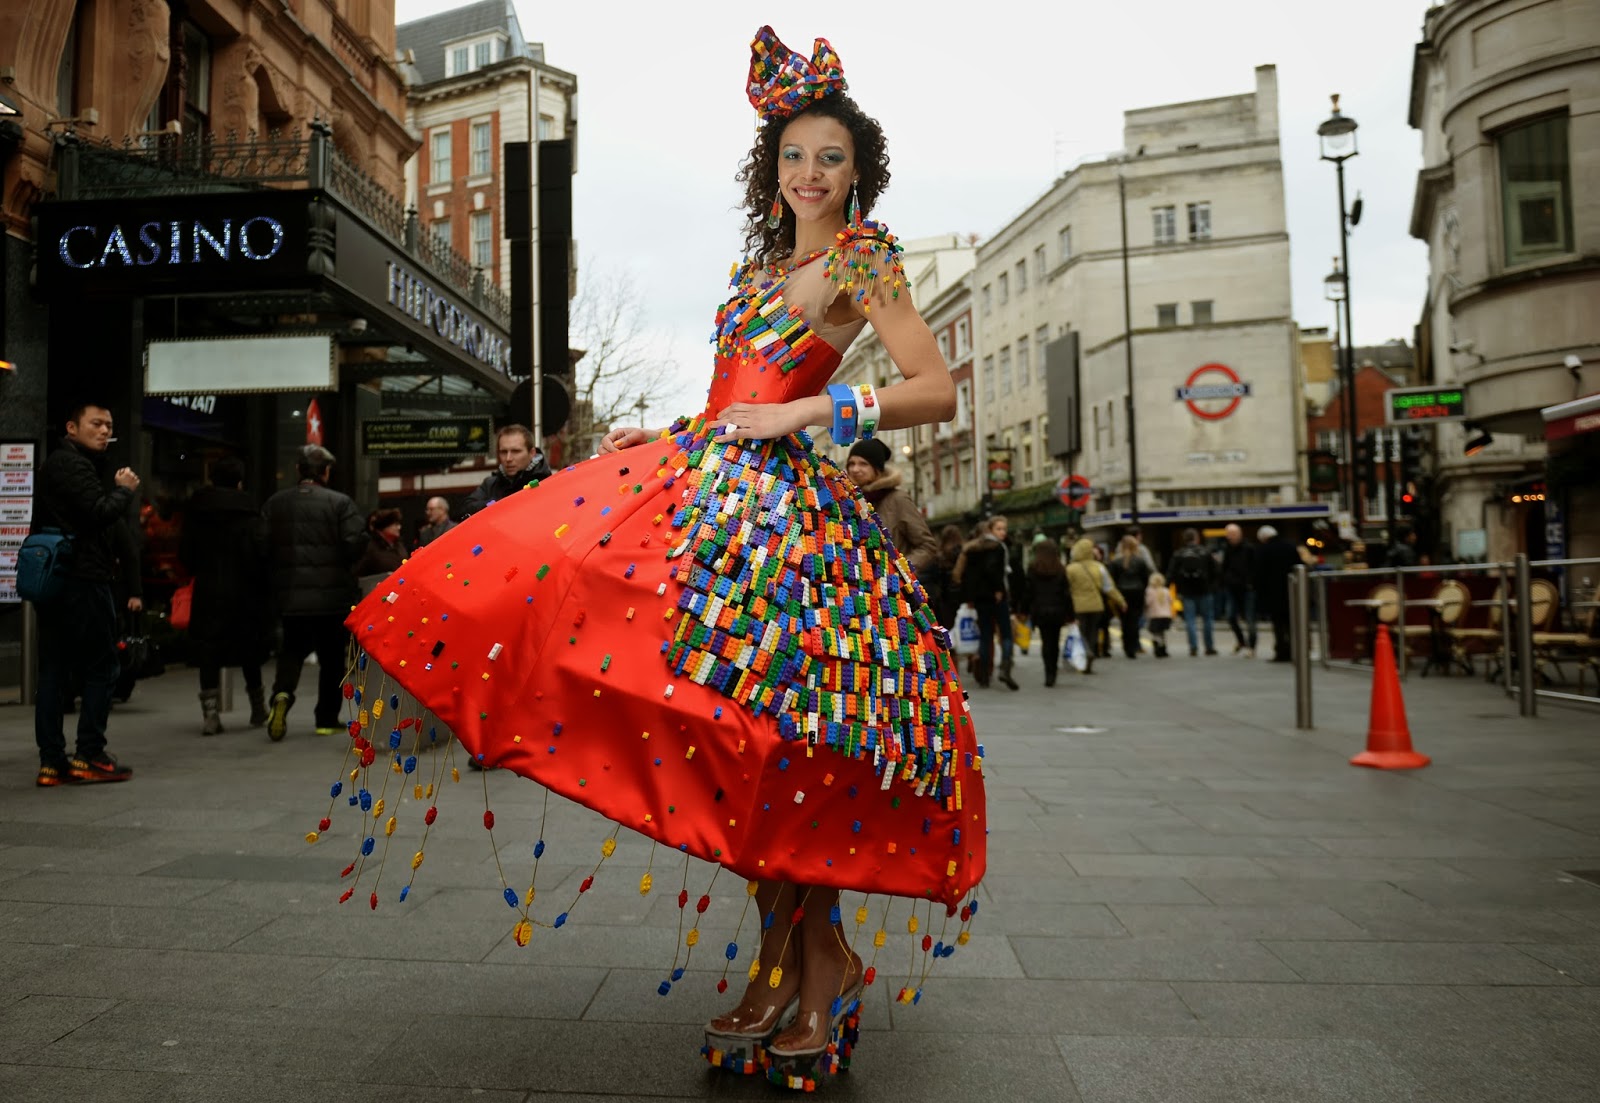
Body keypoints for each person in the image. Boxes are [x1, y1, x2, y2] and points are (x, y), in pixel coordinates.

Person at [334, 26, 984, 1092]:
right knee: (729, 742)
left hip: (789, 531)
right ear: (767, 171)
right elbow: (735, 396)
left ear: (856, 167)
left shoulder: (864, 257)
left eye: (828, 156)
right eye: (791, 157)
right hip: (711, 498)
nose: (809, 173)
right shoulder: (755, 267)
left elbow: (932, 388)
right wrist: (675, 430)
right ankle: (791, 959)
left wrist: (817, 410)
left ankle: (823, 964)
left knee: (776, 739)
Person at [32, 404, 141, 785]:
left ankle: (52, 762)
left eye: (109, 425)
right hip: (83, 578)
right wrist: (123, 492)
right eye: (95, 423)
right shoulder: (72, 464)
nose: (104, 430)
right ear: (71, 427)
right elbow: (98, 513)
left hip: (59, 578)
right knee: (103, 666)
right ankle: (89, 754)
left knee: (55, 669)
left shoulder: (58, 464)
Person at [261, 445, 366, 741]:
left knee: (292, 651)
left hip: (291, 596)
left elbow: (262, 546)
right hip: (332, 598)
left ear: (298, 471)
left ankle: (281, 695)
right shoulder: (340, 503)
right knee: (332, 658)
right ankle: (326, 719)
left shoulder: (275, 504)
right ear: (326, 472)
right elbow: (354, 542)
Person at [178, 458, 271, 735]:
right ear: (239, 482)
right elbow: (262, 552)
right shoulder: (250, 512)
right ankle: (257, 708)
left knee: (209, 650)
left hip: (208, 589)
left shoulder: (198, 511)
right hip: (245, 590)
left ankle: (210, 714)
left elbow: (186, 554)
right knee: (249, 649)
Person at [843, 438, 937, 572]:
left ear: (877, 469)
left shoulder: (898, 499)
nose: (855, 469)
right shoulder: (848, 500)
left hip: (890, 587)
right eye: (851, 463)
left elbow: (927, 546)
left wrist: (898, 571)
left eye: (863, 464)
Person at [958, 515, 1018, 690]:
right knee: (1006, 634)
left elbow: (968, 575)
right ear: (991, 530)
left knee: (985, 635)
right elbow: (993, 570)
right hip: (997, 597)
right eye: (999, 529)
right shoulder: (997, 547)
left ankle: (983, 674)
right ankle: (1005, 668)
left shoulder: (975, 548)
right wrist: (998, 589)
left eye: (1004, 529)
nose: (1003, 533)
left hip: (980, 598)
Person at [462, 425, 553, 518]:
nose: (508, 458)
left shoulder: (547, 483)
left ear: (532, 453)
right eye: (503, 452)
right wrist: (495, 504)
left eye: (516, 451)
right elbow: (468, 507)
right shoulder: (490, 484)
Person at [1025, 538, 1072, 685]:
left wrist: (1024, 610)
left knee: (1046, 642)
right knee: (1055, 641)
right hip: (1057, 610)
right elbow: (1066, 593)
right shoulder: (1060, 569)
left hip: (1040, 610)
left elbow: (1028, 592)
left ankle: (1048, 673)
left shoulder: (1033, 569)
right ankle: (1053, 671)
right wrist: (1071, 614)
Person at [1166, 527, 1219, 657]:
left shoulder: (1179, 553)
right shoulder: (1205, 552)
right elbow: (1216, 571)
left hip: (1186, 592)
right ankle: (1209, 647)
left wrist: (1168, 587)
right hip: (1204, 590)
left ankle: (1193, 647)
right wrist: (1213, 587)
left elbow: (1171, 573)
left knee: (1190, 620)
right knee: (1207, 619)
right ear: (1197, 538)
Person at [1256, 524, 1301, 662]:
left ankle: (1282, 651)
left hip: (1273, 594)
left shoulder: (1264, 550)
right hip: (1291, 591)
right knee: (1292, 624)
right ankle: (1296, 651)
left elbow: (1259, 574)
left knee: (1278, 625)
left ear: (1263, 538)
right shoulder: (1290, 546)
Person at [1065, 538, 1107, 675]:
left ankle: (1086, 653)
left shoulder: (1070, 569)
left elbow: (1066, 588)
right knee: (1092, 633)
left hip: (1078, 606)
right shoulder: (1099, 567)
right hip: (1096, 606)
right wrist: (1121, 601)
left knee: (1080, 632)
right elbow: (1109, 587)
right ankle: (1089, 660)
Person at [1107, 534, 1151, 658]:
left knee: (1125, 621)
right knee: (1134, 620)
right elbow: (1145, 578)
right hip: (1137, 593)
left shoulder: (1116, 561)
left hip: (1122, 593)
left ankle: (1127, 645)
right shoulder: (1140, 561)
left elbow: (1112, 579)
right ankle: (1134, 645)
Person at [1220, 522, 1259, 656]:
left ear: (1240, 534)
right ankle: (1241, 641)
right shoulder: (1227, 549)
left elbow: (1255, 568)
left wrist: (1251, 583)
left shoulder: (1249, 548)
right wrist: (1225, 580)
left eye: (1233, 534)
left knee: (1250, 618)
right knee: (1231, 616)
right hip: (1231, 587)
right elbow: (1224, 567)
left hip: (1247, 588)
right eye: (1228, 535)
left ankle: (1252, 647)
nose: (1230, 537)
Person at [354, 507, 407, 584]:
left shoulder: (399, 545)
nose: (399, 527)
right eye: (395, 524)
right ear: (384, 526)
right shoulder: (370, 547)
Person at [932, 524, 965, 631]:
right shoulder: (961, 552)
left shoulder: (939, 555)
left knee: (947, 625)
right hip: (960, 593)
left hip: (944, 595)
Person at [1145, 571, 1174, 658]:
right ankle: (1163, 649)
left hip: (1155, 616)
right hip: (1166, 616)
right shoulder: (1166, 590)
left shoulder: (1150, 591)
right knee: (1162, 632)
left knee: (1156, 633)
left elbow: (1148, 602)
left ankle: (1157, 647)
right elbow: (1171, 601)